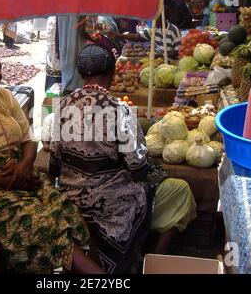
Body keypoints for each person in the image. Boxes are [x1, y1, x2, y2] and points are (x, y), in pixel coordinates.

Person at [0, 41, 104, 274]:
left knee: (66, 210)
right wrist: (10, 180)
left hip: (21, 173)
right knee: (37, 222)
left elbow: (27, 139)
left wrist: (24, 166)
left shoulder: (3, 96)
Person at [49, 44, 196, 273]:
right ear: (112, 73)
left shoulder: (63, 106)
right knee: (180, 191)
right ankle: (152, 260)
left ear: (79, 73)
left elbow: (54, 166)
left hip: (71, 199)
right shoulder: (120, 110)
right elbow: (137, 168)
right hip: (110, 207)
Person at [110, 6, 182, 60]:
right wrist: (117, 35)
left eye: (156, 17)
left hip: (171, 63)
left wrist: (161, 55)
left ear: (163, 17)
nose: (153, 19)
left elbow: (177, 51)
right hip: (159, 61)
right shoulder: (155, 30)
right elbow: (136, 36)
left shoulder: (173, 30)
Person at [44, 16, 61, 91]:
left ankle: (54, 101)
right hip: (56, 60)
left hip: (56, 58)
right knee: (55, 92)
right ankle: (55, 102)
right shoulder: (55, 19)